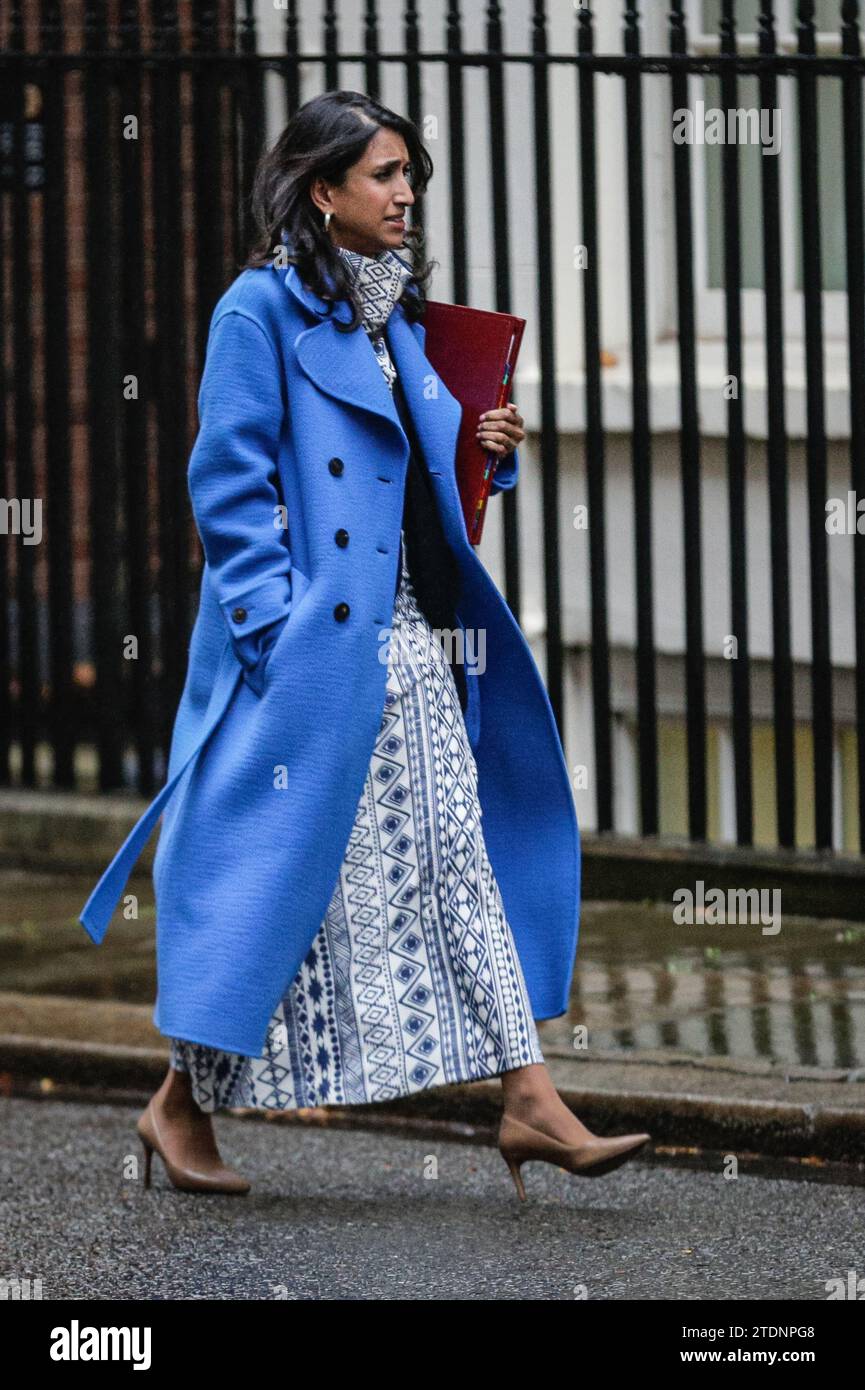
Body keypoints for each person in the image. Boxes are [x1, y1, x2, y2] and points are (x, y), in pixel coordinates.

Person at [80, 90, 650, 1200]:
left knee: (454, 868)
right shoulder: (259, 312)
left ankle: (529, 1101)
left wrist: (487, 446)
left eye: (411, 177)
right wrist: (270, 626)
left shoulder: (394, 316)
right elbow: (229, 484)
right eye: (385, 175)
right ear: (321, 188)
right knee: (291, 882)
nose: (405, 195)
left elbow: (419, 482)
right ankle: (179, 1103)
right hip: (312, 654)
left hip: (405, 647)